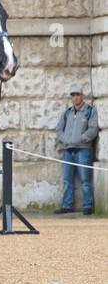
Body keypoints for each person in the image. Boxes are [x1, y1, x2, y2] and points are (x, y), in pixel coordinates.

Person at [55, 86, 98, 215]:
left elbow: (93, 129)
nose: (75, 97)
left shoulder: (90, 111)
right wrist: (66, 140)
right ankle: (67, 206)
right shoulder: (67, 112)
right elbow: (59, 129)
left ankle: (87, 206)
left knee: (85, 180)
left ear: (82, 96)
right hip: (68, 150)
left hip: (83, 150)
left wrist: (80, 139)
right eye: (73, 95)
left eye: (78, 95)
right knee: (67, 180)